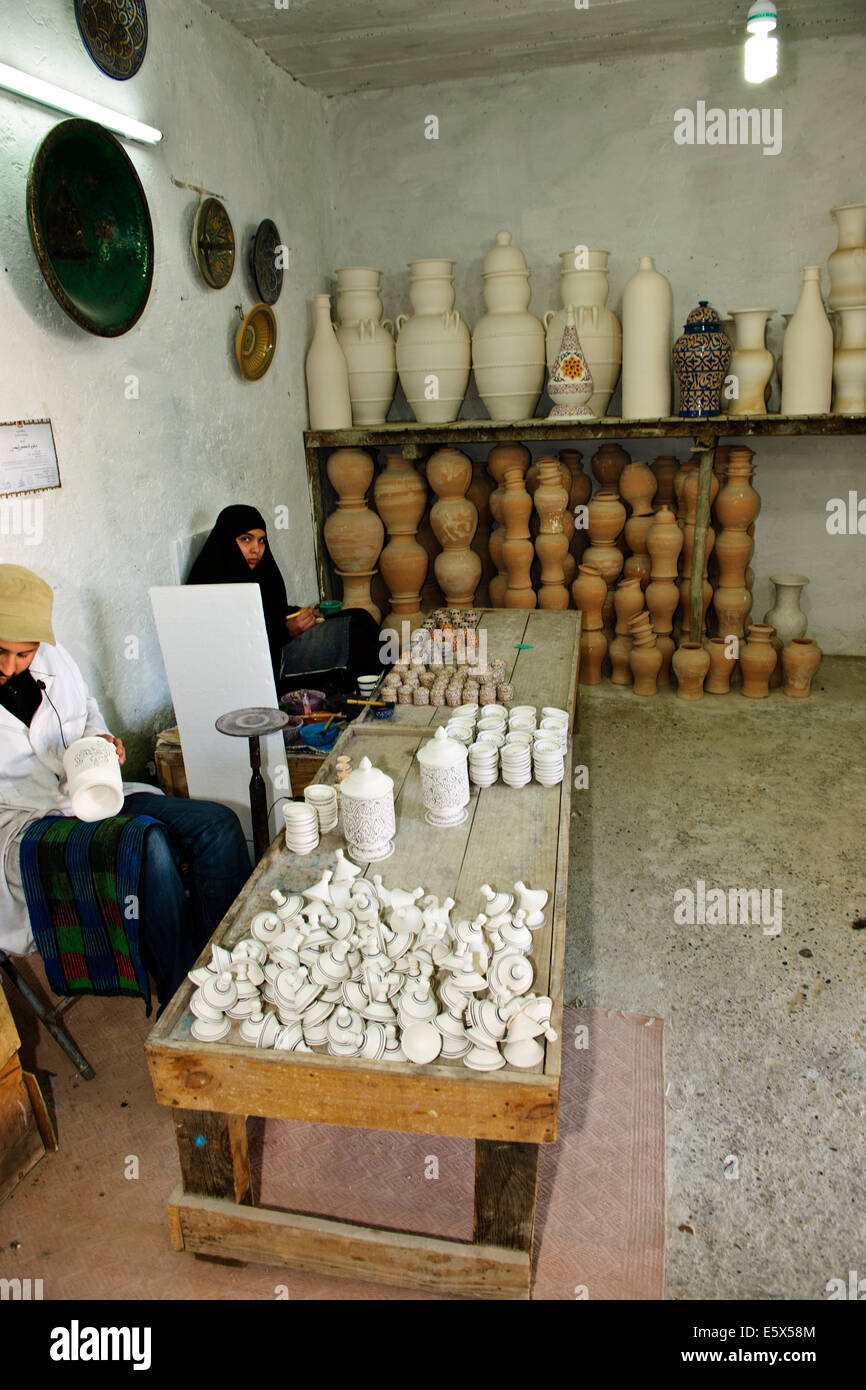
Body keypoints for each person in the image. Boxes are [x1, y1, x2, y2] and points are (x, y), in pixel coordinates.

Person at [0, 565, 251, 1010]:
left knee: (218, 825)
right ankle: (185, 999)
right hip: (25, 824)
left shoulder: (54, 660)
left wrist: (100, 740)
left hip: (89, 792)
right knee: (148, 843)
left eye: (23, 654)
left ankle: (225, 965)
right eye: (0, 652)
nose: (11, 666)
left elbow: (88, 711)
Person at [186, 504, 381, 694]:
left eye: (261, 540)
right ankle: (370, 698)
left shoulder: (257, 572)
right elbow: (232, 647)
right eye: (246, 539)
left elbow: (271, 609)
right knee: (353, 632)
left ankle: (384, 689)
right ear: (227, 540)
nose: (256, 549)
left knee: (359, 616)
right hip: (268, 667)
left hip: (281, 641)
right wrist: (285, 632)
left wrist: (299, 612)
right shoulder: (210, 585)